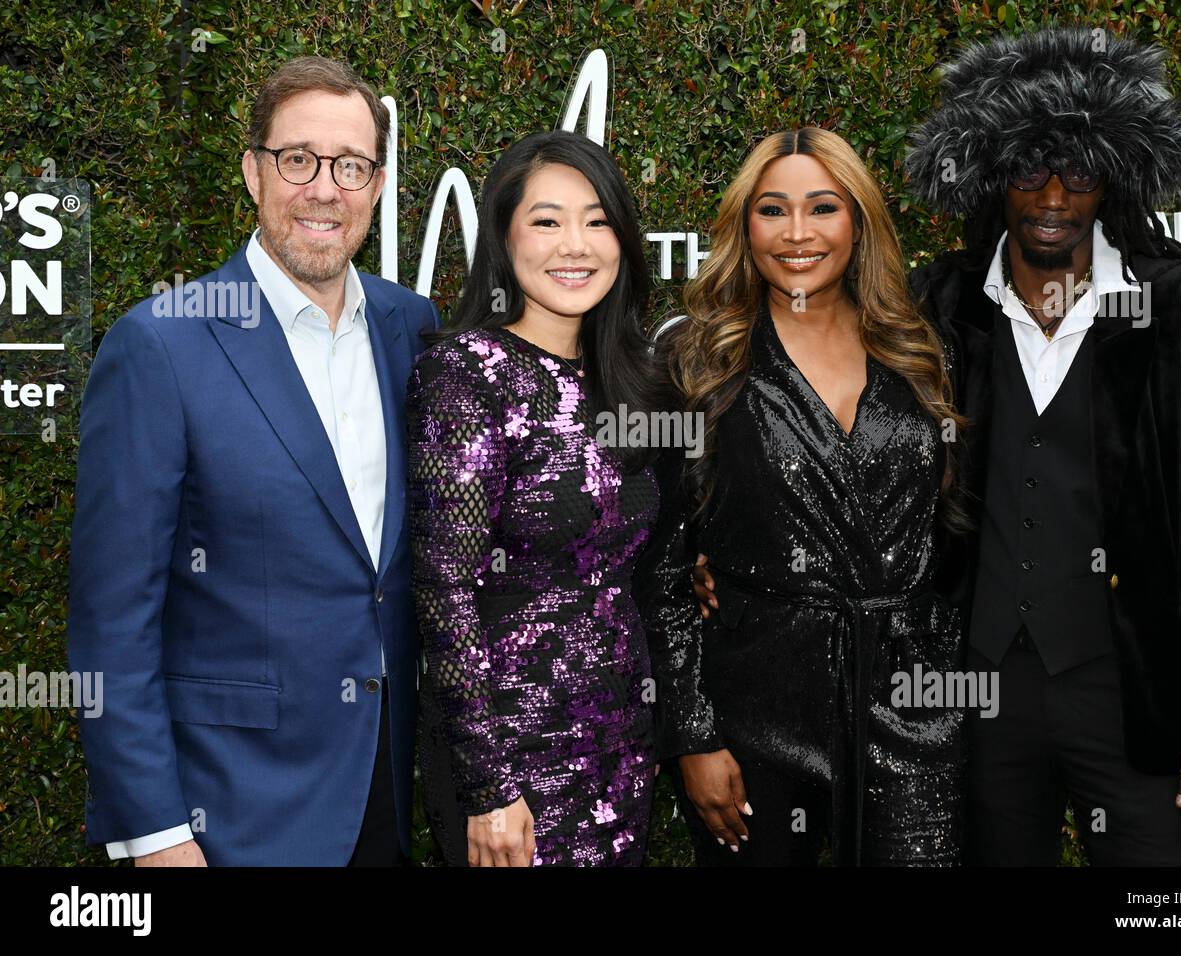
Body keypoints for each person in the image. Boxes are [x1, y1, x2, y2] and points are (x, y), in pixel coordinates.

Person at [67, 56, 463, 866]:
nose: (326, 188)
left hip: (380, 796)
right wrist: (156, 833)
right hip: (229, 815)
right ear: (253, 172)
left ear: (379, 185)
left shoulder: (411, 327)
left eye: (350, 165)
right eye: (298, 160)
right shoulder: (161, 343)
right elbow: (112, 620)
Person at [901, 26, 1181, 865]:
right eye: (1031, 168)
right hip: (982, 692)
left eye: (1079, 171)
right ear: (997, 174)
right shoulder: (944, 303)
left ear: (1112, 178)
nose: (1053, 196)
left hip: (1136, 696)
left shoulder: (1178, 306)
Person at [636, 128, 969, 866]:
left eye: (822, 207)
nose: (796, 234)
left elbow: (960, 534)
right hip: (754, 710)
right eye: (771, 210)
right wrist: (693, 735)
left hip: (913, 708)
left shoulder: (923, 348)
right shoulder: (700, 359)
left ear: (859, 220)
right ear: (742, 225)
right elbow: (662, 568)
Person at [408, 130, 663, 866]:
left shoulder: (635, 380)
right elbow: (445, 586)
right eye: (547, 221)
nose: (574, 244)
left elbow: (649, 564)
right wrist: (487, 788)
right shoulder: (465, 373)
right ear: (504, 238)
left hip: (621, 742)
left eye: (597, 220)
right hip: (511, 757)